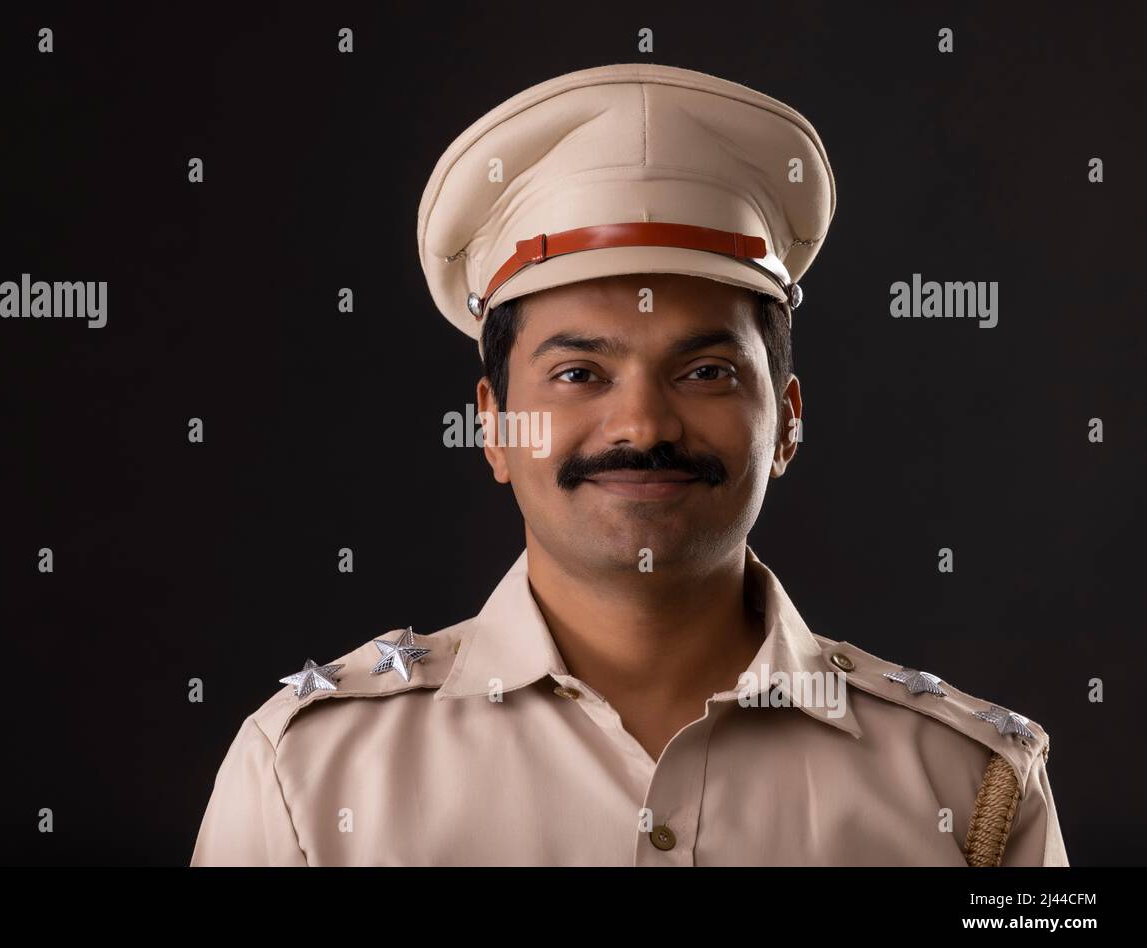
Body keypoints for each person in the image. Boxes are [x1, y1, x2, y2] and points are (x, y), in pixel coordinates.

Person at [190, 62, 1068, 866]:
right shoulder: (307, 776)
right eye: (579, 373)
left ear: (788, 422)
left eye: (705, 372)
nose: (642, 420)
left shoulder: (973, 787)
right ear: (492, 426)